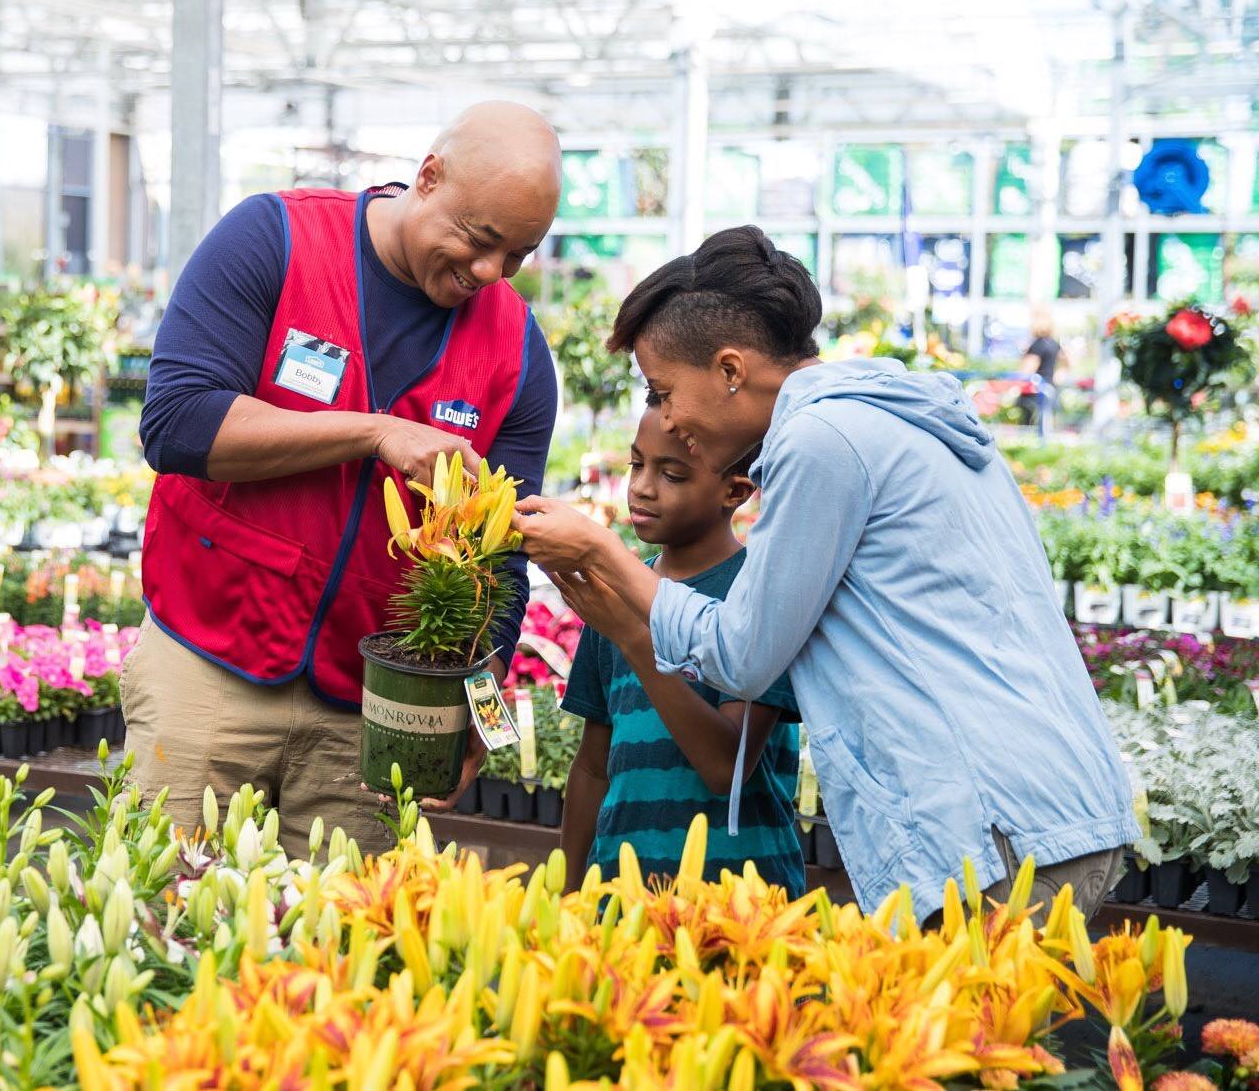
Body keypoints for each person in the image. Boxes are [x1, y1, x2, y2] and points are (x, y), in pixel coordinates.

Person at [515, 226, 1133, 918]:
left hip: (991, 831)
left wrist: (602, 554)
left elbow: (743, 657)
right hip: (1043, 812)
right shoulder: (890, 421)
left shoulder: (821, 440)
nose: (666, 416)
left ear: (729, 370)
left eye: (664, 391)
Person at [129, 101, 562, 854]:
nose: (490, 272)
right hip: (208, 668)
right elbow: (177, 422)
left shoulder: (518, 353)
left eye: (517, 255)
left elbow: (503, 559)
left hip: (373, 716)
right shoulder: (275, 238)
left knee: (347, 924)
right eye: (478, 238)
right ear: (429, 177)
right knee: (164, 904)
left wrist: (482, 710)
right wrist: (375, 432)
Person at [558, 412, 803, 896]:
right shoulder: (615, 596)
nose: (642, 488)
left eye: (671, 475)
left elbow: (725, 768)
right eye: (636, 465)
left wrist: (633, 637)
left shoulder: (759, 596)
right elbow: (592, 765)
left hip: (740, 904)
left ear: (735, 492)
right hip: (621, 902)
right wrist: (568, 890)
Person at [1018, 308, 1062, 428]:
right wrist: (1058, 375)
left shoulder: (1037, 345)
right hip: (1050, 387)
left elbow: (1027, 371)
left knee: (1029, 427)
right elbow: (1066, 362)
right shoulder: (1054, 344)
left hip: (1035, 392)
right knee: (1046, 424)